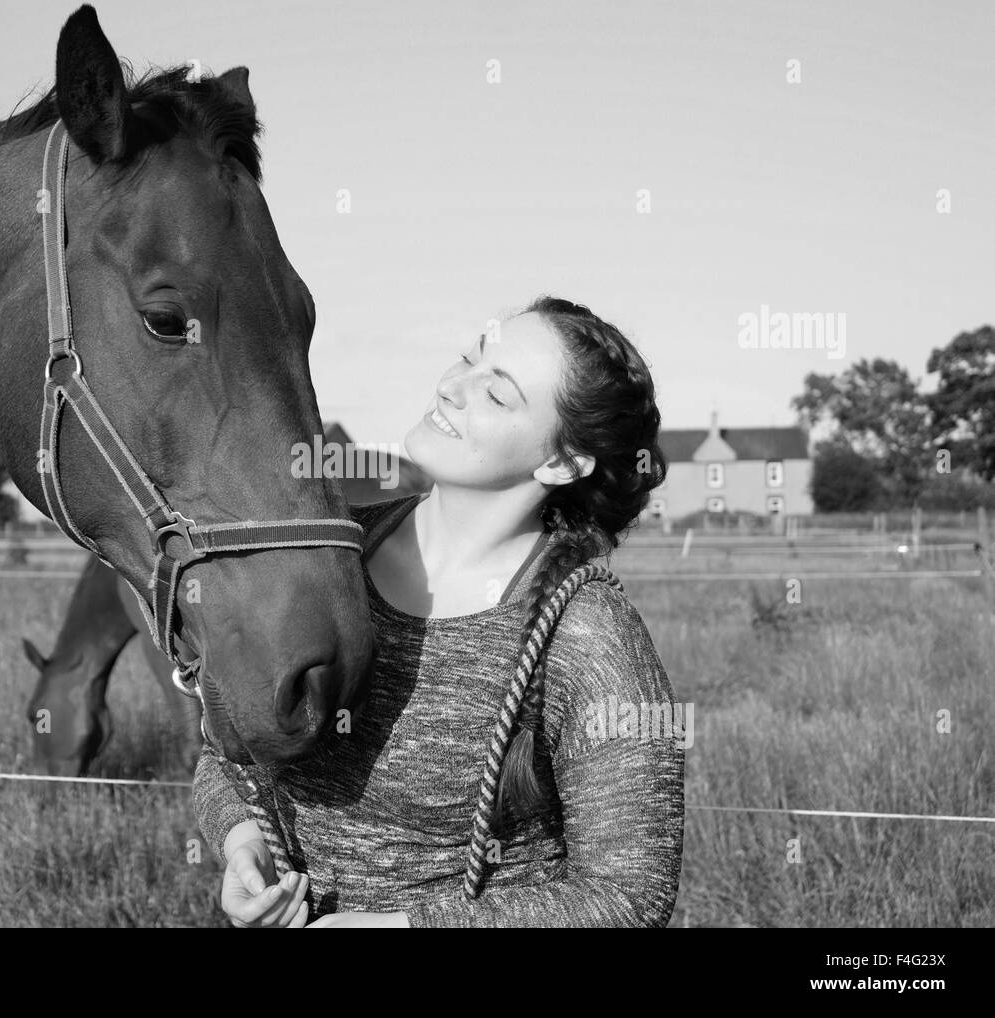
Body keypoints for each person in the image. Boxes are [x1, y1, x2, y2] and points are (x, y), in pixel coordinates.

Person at [192, 296, 685, 927]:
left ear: (562, 461)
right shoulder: (323, 558)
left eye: (498, 394)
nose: (453, 387)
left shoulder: (587, 632)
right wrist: (243, 846)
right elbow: (228, 750)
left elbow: (628, 898)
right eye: (468, 359)